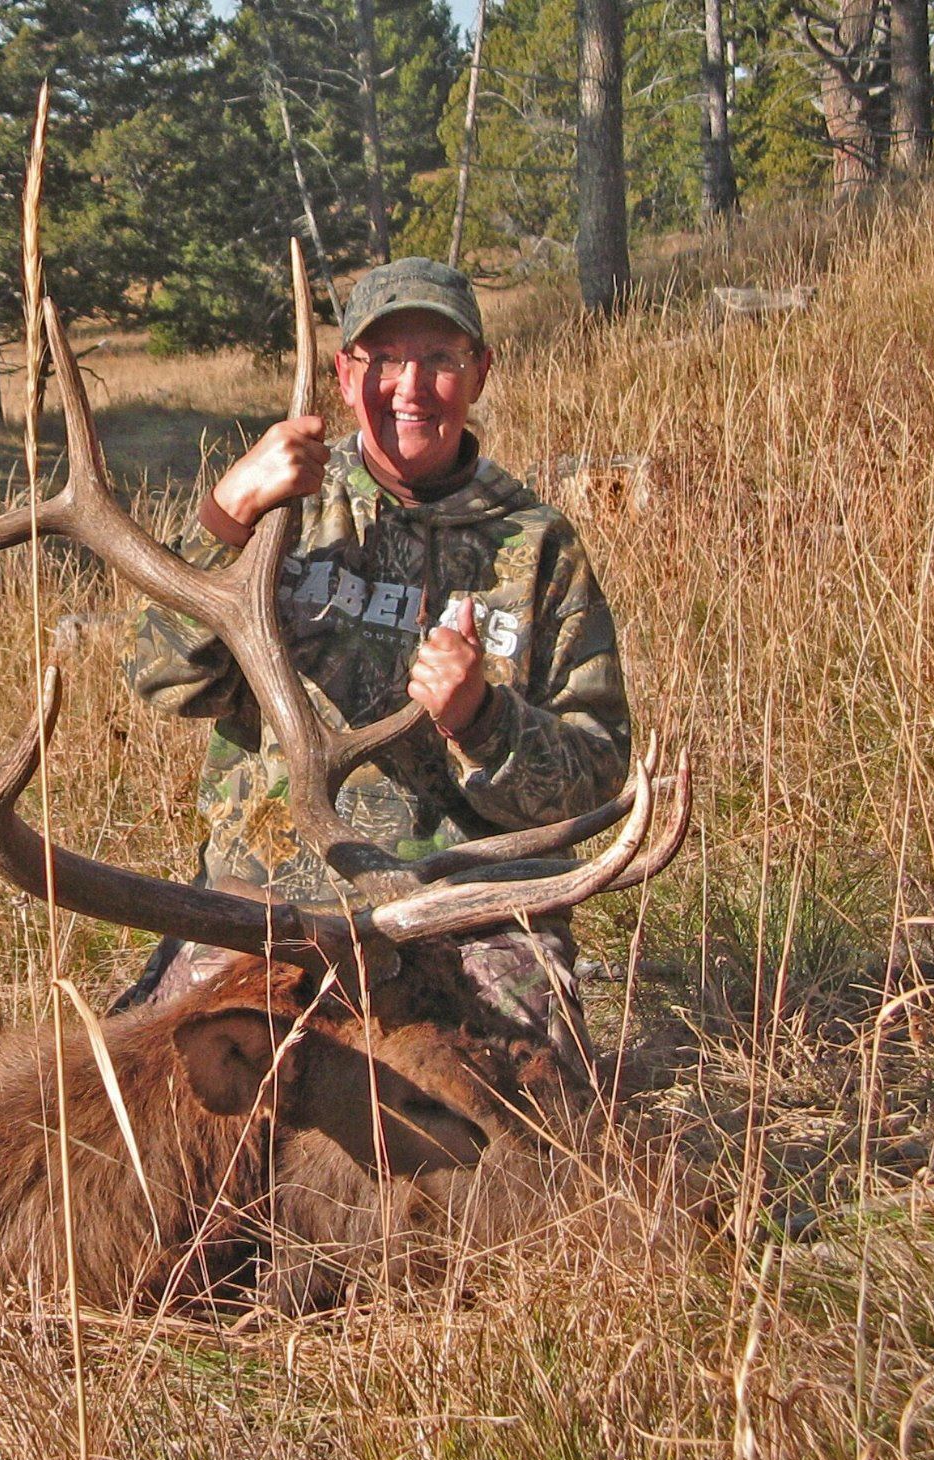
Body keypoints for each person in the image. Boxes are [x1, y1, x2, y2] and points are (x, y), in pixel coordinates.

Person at [124, 258, 631, 1077]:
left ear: (481, 371)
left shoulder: (539, 545)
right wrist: (227, 514)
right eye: (385, 359)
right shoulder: (286, 504)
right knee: (152, 1094)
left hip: (464, 920)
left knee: (531, 1109)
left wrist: (485, 721)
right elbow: (159, 675)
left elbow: (596, 777)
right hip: (268, 906)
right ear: (345, 374)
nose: (411, 386)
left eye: (440, 358)